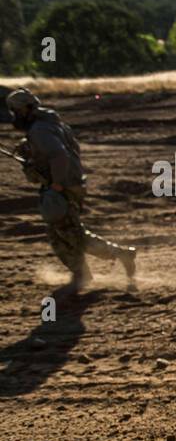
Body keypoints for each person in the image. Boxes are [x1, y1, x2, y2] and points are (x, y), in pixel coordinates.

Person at [6, 88, 136, 291]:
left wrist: (57, 182)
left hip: (61, 187)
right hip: (72, 184)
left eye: (15, 111)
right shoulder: (52, 124)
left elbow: (59, 155)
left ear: (26, 110)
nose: (14, 116)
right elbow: (69, 149)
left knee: (67, 234)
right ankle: (95, 266)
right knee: (67, 231)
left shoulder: (39, 129)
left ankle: (95, 267)